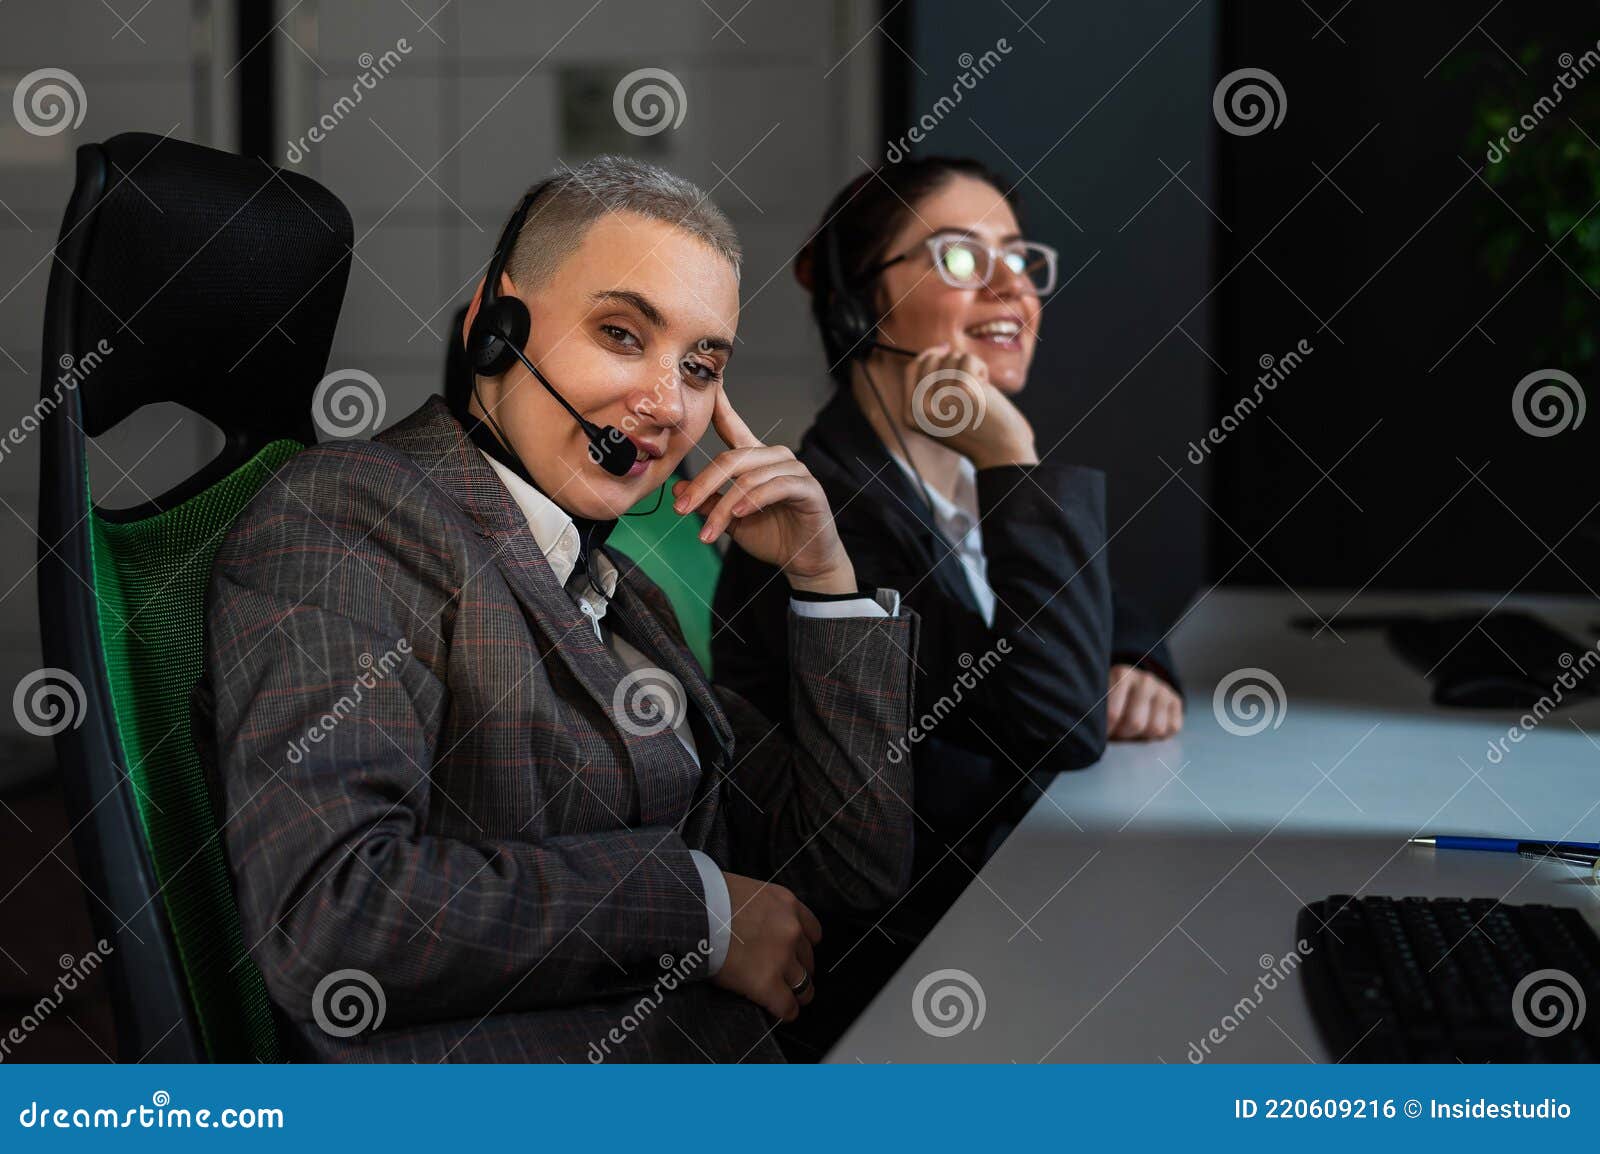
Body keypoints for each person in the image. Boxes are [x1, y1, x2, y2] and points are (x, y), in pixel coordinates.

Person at [190, 155, 918, 1063]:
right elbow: (335, 915)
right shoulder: (350, 517)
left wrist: (824, 579)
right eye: (621, 333)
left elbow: (853, 872)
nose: (663, 403)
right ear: (493, 326)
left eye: (700, 366)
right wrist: (701, 911)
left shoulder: (612, 589)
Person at [712, 157, 1184, 1056]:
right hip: (903, 986)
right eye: (962, 259)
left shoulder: (959, 478)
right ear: (861, 303)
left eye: (1018, 256)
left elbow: (1106, 607)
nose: (1011, 284)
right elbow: (1055, 723)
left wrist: (1138, 663)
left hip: (1017, 917)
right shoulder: (830, 520)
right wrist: (1015, 451)